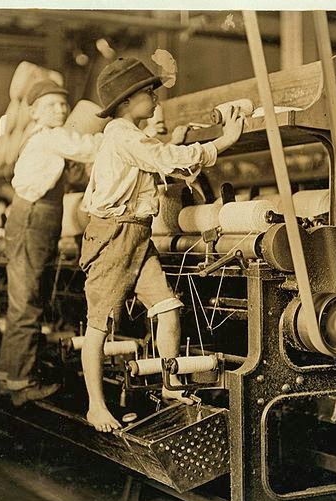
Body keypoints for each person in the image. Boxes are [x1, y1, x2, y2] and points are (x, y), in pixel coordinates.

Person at [79, 57, 244, 432]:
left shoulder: (131, 135)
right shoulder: (123, 135)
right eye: (148, 93)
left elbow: (168, 161)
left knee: (168, 307)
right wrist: (224, 141)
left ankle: (170, 384)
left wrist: (186, 143)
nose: (156, 98)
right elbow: (168, 159)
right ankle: (95, 406)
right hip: (113, 236)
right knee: (99, 326)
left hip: (137, 234)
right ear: (125, 102)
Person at [0, 79, 102, 406]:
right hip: (34, 219)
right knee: (28, 300)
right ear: (33, 111)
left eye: (62, 104)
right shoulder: (51, 137)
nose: (60, 109)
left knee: (26, 299)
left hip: (33, 217)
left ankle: (9, 374)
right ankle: (22, 383)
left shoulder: (40, 139)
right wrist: (125, 133)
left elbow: (71, 176)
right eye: (51, 105)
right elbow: (91, 147)